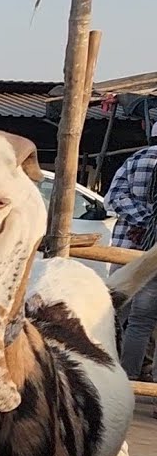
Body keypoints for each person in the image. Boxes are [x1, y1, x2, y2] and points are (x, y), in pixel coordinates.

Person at [105, 126, 157, 380]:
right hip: (153, 254)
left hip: (126, 247)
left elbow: (111, 199)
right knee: (143, 321)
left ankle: (117, 376)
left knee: (111, 312)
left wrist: (142, 220)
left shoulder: (136, 159)